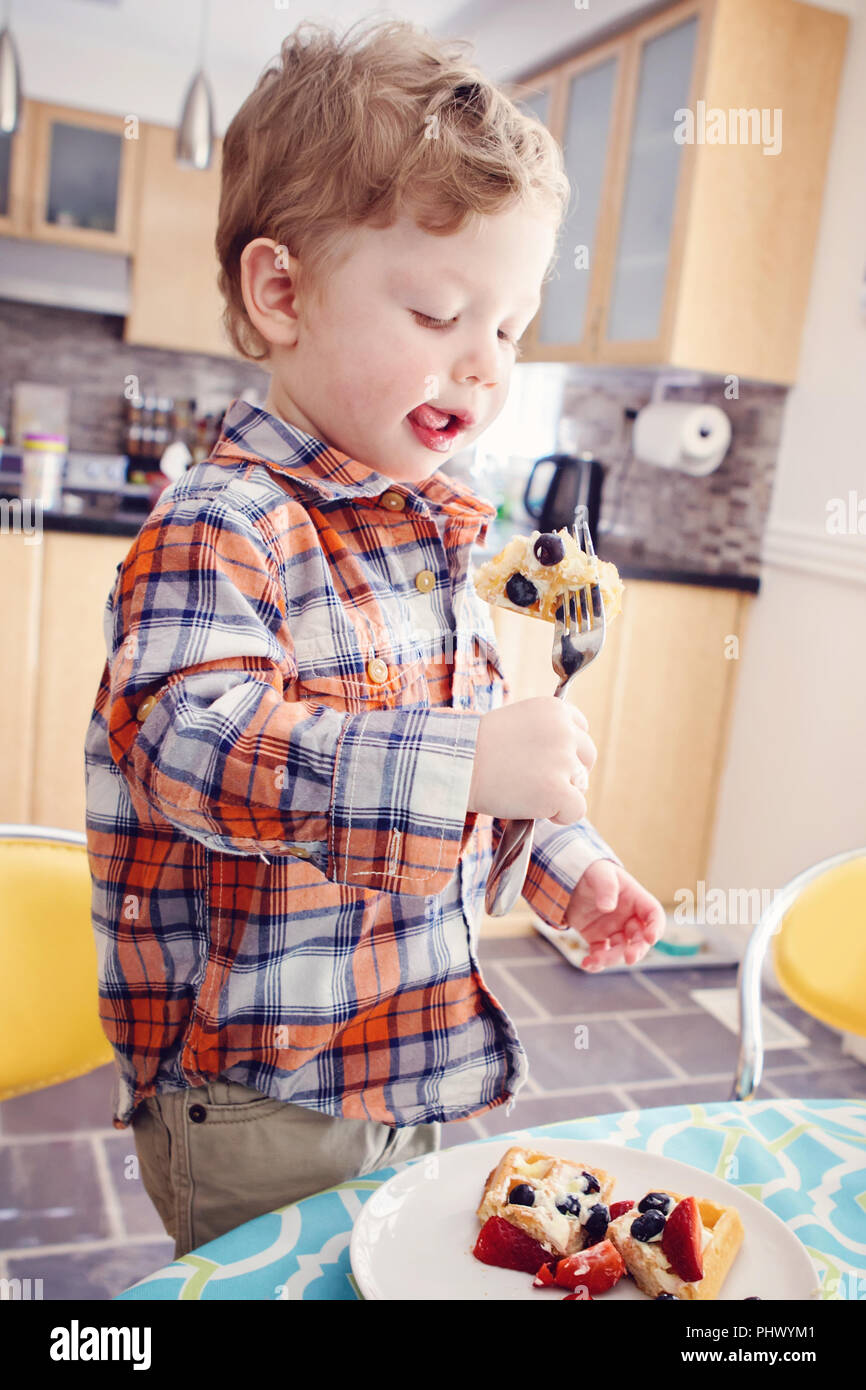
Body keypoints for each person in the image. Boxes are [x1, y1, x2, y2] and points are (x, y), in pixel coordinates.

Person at [84, 16, 665, 1261]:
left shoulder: (438, 537)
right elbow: (196, 750)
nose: (484, 361)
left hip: (414, 1059)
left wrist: (569, 868)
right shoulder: (223, 521)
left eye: (507, 327)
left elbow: (470, 773)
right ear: (280, 290)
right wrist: (466, 761)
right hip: (259, 1097)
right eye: (440, 308)